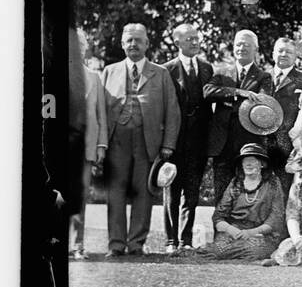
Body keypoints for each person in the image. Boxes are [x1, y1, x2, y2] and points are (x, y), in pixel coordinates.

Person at [100, 23, 180, 256]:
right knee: (115, 192)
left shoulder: (161, 73)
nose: (134, 44)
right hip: (117, 141)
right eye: (129, 40)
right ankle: (116, 245)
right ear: (122, 44)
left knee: (143, 193)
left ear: (147, 43)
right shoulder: (109, 71)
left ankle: (136, 244)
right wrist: (101, 145)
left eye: (138, 40)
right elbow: (100, 111)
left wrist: (168, 144)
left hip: (149, 141)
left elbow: (172, 112)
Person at [204, 29, 275, 207]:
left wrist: (228, 99)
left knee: (247, 194)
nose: (241, 48)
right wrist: (237, 93)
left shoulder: (264, 77)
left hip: (248, 143)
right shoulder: (221, 72)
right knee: (221, 194)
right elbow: (208, 91)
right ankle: (220, 234)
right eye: (238, 44)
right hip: (222, 144)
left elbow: (262, 104)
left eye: (246, 45)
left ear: (255, 49)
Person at [159, 23, 212, 254]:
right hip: (175, 142)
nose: (194, 42)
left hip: (199, 142)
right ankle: (171, 241)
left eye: (196, 37)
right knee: (172, 192)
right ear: (177, 42)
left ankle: (186, 239)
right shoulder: (166, 70)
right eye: (189, 38)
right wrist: (165, 143)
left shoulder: (207, 68)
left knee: (192, 193)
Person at [195, 142, 286, 261]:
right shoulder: (235, 183)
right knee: (218, 250)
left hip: (260, 234)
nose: (248, 164)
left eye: (253, 160)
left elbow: (276, 217)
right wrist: (231, 230)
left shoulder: (273, 184)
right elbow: (218, 217)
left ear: (262, 164)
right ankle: (226, 250)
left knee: (256, 251)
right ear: (241, 165)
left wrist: (251, 232)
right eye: (245, 161)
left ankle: (230, 251)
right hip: (234, 233)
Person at [70, 28, 109, 260]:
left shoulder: (94, 77)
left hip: (86, 149)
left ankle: (78, 246)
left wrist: (102, 145)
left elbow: (101, 115)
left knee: (80, 196)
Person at [267, 35, 302, 198]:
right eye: (280, 51)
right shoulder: (262, 77)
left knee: (284, 189)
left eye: (289, 52)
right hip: (261, 142)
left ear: (296, 56)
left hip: (287, 144)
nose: (283, 54)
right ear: (273, 53)